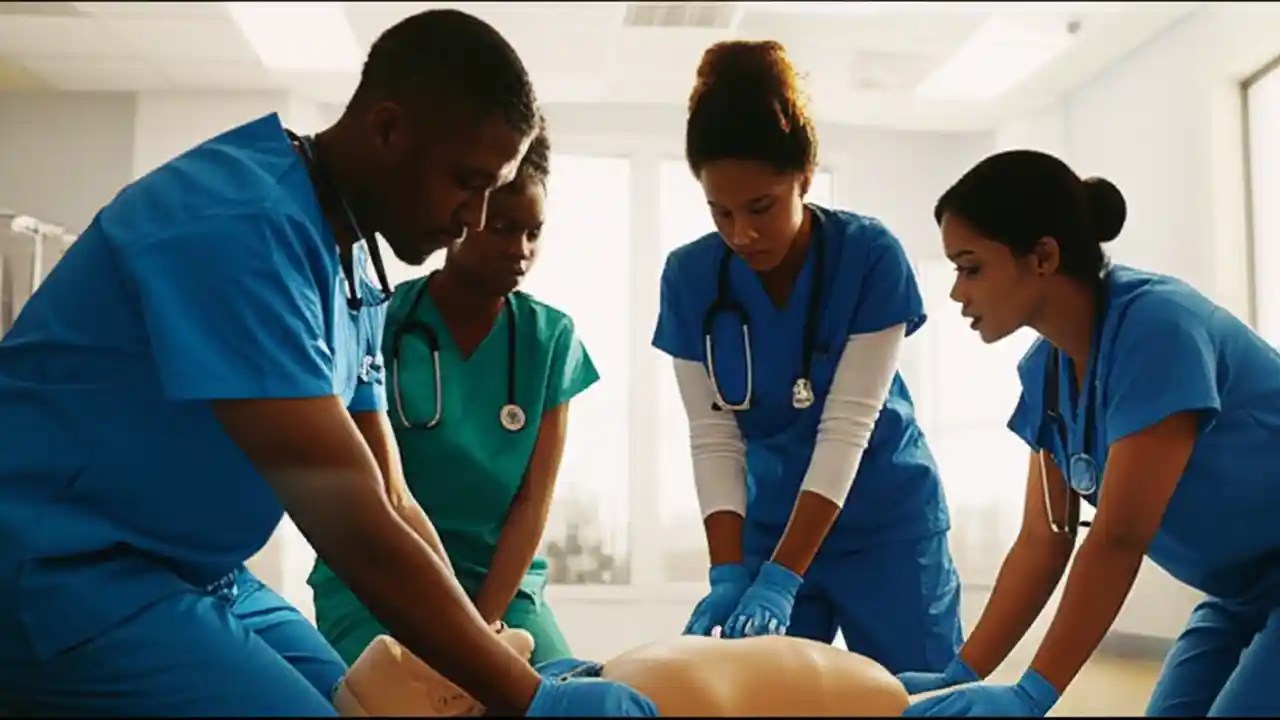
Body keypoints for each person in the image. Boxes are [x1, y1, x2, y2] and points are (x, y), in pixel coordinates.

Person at [0, 9, 655, 717]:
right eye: (467, 182)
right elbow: (346, 512)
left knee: (369, 705)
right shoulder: (239, 227)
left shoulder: (353, 267)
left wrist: (490, 655)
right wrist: (530, 700)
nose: (474, 217)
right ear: (386, 129)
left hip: (200, 570)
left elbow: (393, 499)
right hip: (63, 569)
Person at [900, 149, 1280, 717]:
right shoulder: (1046, 373)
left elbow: (1119, 535)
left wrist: (1035, 694)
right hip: (1240, 593)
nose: (957, 292)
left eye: (970, 266)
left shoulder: (1159, 328)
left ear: (1043, 257)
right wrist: (962, 670)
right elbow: (1043, 539)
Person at [650, 39, 963, 675]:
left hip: (886, 526)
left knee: (923, 701)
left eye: (761, 207)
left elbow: (846, 427)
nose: (742, 233)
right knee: (772, 699)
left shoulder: (869, 256)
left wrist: (782, 579)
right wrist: (730, 570)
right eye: (721, 212)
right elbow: (713, 436)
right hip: (769, 528)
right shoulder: (690, 277)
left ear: (804, 177)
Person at [310, 123, 597, 668]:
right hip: (380, 574)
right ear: (465, 219)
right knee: (398, 696)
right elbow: (365, 489)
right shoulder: (382, 321)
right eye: (504, 228)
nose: (520, 250)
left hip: (501, 585)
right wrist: (458, 633)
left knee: (560, 694)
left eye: (533, 233)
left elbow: (532, 504)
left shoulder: (550, 339)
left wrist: (482, 623)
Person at [336, 628, 909, 717]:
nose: (450, 624)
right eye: (421, 645)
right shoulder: (596, 706)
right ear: (452, 701)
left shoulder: (563, 682)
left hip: (886, 685)